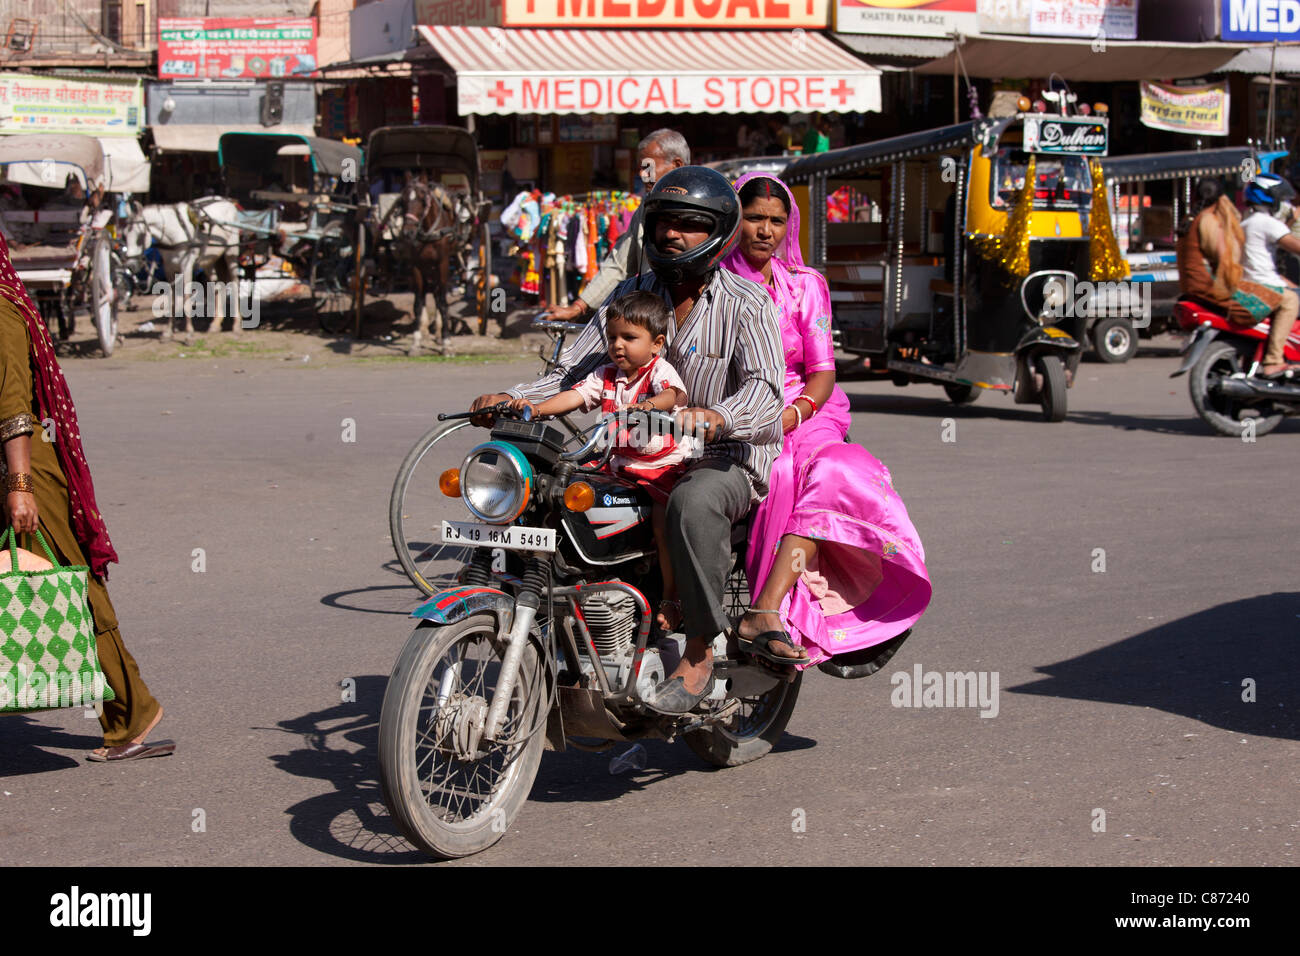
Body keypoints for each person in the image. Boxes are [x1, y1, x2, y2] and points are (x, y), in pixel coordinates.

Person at [471, 166, 785, 715]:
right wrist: (512, 397)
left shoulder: (748, 302)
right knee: (549, 490)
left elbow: (766, 392)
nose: (671, 235)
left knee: (692, 500)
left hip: (723, 457)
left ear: (716, 232)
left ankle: (698, 649)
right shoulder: (631, 293)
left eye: (688, 225)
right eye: (663, 222)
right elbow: (574, 373)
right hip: (636, 451)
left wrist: (717, 416)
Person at [720, 173, 931, 669]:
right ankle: (769, 613)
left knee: (838, 471)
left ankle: (767, 608)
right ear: (735, 220)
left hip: (807, 413)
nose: (765, 231)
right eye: (754, 218)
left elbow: (821, 373)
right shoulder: (713, 282)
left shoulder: (806, 286)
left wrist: (792, 415)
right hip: (740, 417)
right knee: (778, 475)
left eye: (777, 221)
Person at [0, 234, 172, 762]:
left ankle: (130, 713)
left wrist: (20, 486)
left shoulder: (0, 311)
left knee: (72, 589)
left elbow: (14, 408)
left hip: (28, 473)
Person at [511, 291, 694, 630]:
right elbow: (576, 395)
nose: (618, 345)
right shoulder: (606, 374)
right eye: (612, 337)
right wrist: (537, 408)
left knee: (661, 521)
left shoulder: (658, 370)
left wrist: (649, 406)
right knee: (563, 492)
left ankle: (671, 596)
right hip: (619, 464)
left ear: (656, 344)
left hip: (661, 467)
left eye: (629, 337)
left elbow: (675, 395)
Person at [543, 129, 690, 321]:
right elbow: (619, 264)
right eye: (640, 167)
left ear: (676, 165)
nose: (642, 174)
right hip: (653, 316)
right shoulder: (647, 207)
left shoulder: (704, 206)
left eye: (648, 166)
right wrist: (579, 307)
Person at [1177, 176, 1299, 378]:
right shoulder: (1212, 220)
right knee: (1291, 300)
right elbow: (1224, 260)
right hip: (1226, 287)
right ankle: (1274, 360)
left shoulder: (1241, 222)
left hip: (1230, 284)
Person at [1240, 173, 1300, 377]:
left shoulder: (1247, 222)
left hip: (1252, 283)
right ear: (1270, 197)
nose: (1286, 204)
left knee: (1294, 291)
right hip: (1262, 285)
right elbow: (1295, 246)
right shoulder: (1267, 222)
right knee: (1291, 301)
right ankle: (1274, 360)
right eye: (1282, 199)